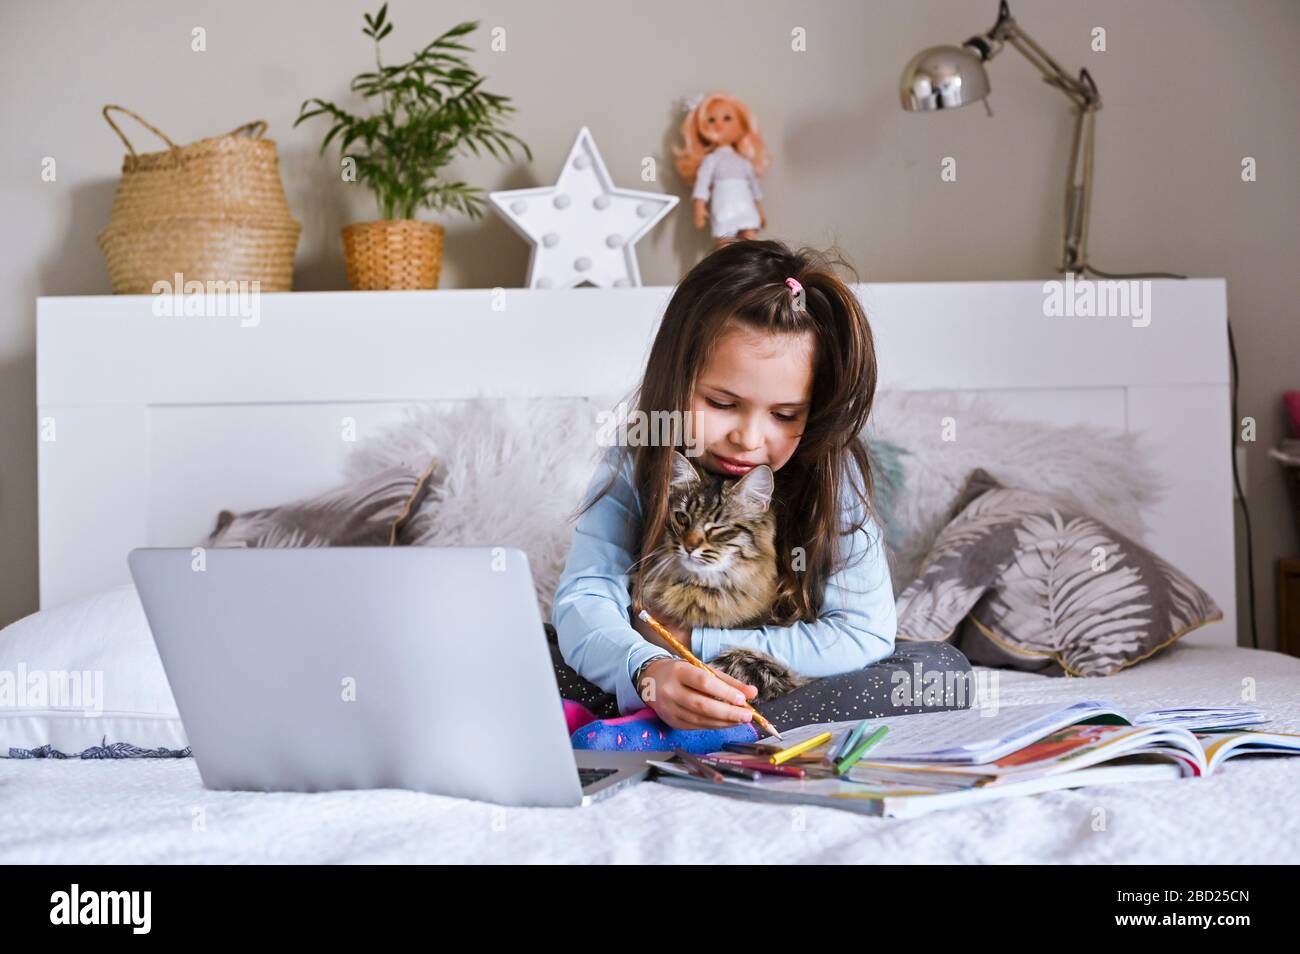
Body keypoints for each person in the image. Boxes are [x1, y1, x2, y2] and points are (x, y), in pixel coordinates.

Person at [550, 239, 972, 745]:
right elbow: (585, 598)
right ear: (676, 380)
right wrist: (650, 670)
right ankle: (661, 714)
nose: (749, 440)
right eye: (723, 403)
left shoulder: (835, 479)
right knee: (540, 643)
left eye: (784, 415)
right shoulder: (636, 461)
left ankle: (679, 733)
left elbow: (862, 635)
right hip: (652, 673)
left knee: (938, 670)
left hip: (772, 677)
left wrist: (697, 642)